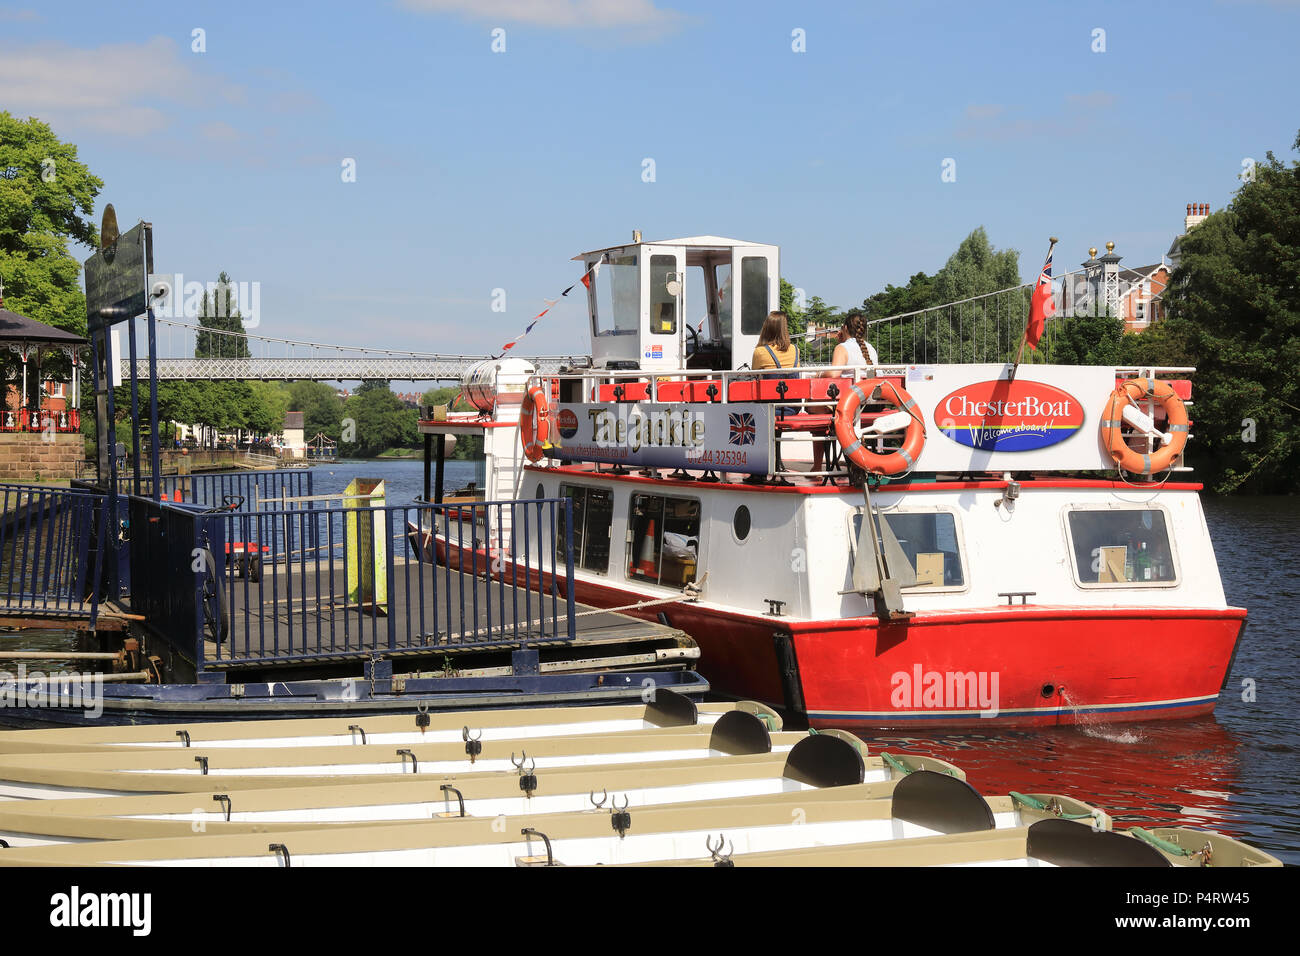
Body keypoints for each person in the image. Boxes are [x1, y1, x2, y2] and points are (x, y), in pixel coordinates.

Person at [811, 313, 879, 472]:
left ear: (846, 328)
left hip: (850, 407)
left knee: (814, 409)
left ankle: (817, 467)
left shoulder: (842, 348)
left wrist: (819, 374)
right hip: (870, 406)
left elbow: (834, 374)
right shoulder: (871, 349)